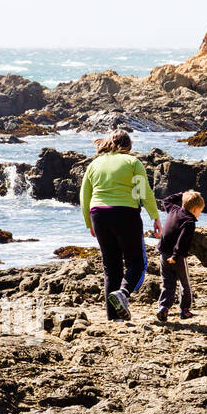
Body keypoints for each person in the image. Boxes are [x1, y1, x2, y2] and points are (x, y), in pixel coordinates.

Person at [81, 130, 162, 321]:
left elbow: (84, 198)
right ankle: (123, 293)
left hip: (99, 215)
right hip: (126, 214)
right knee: (137, 263)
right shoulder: (132, 162)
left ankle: (113, 317)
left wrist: (89, 223)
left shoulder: (94, 164)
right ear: (128, 146)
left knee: (111, 267)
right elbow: (144, 191)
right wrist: (155, 216)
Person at [156, 190, 204, 322]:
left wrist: (181, 194)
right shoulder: (189, 222)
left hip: (163, 253)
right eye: (200, 211)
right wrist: (176, 256)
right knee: (185, 283)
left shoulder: (174, 210)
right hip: (177, 257)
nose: (199, 214)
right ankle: (185, 310)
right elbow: (182, 241)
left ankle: (163, 308)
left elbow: (165, 200)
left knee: (167, 283)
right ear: (195, 209)